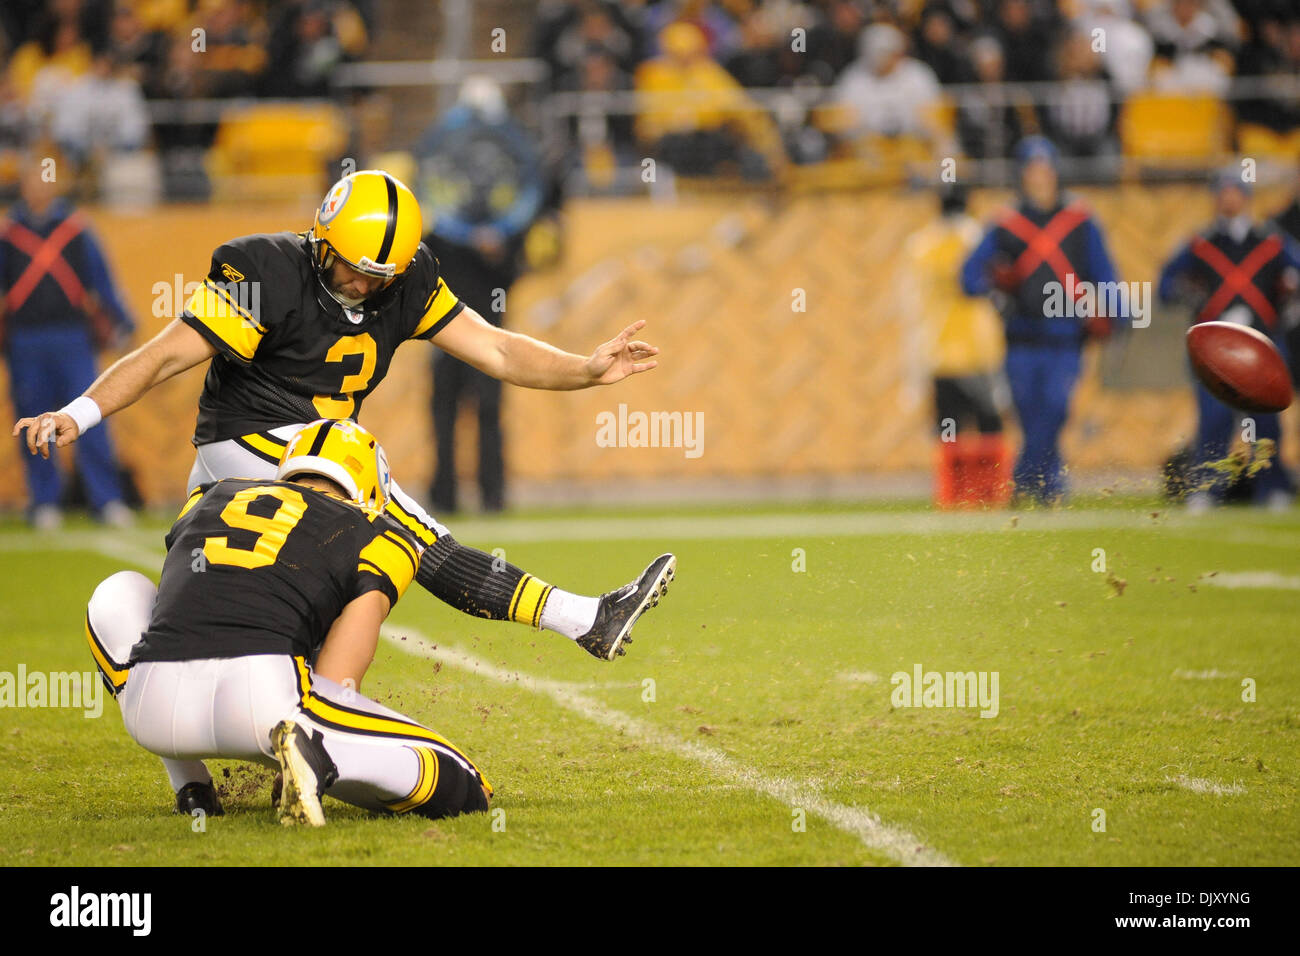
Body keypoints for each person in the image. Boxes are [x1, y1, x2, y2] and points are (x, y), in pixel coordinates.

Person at [14, 168, 676, 681]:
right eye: (352, 269)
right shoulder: (264, 270)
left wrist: (586, 370)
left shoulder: (407, 278)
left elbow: (497, 348)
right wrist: (77, 413)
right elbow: (163, 356)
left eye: (377, 277)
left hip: (319, 458)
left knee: (235, 599)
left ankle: (234, 749)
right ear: (321, 241)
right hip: (244, 443)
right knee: (408, 533)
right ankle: (585, 618)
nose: (363, 286)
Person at [86, 419, 490, 824]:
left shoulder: (208, 498)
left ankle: (191, 787)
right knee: (467, 785)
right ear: (371, 488)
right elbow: (339, 675)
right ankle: (313, 758)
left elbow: (183, 597)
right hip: (263, 702)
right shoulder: (382, 534)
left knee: (118, 589)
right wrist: (322, 731)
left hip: (153, 709)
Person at [962, 137, 1125, 505]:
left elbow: (1105, 274)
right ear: (1022, 175)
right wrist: (995, 291)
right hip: (1020, 337)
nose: (1039, 177)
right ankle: (1049, 485)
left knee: (1054, 410)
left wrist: (1118, 315)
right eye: (1032, 170)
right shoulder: (1006, 224)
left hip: (1066, 336)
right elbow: (969, 276)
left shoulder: (1080, 221)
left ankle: (1026, 483)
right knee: (1028, 415)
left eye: (1045, 168)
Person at [415, 78, 550, 513]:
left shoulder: (505, 217)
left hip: (486, 327)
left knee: (486, 410)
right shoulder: (442, 215)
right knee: (445, 413)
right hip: (445, 327)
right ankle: (446, 496)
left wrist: (498, 248)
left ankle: (493, 495)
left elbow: (513, 268)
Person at [1, 153, 135, 528]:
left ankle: (106, 499)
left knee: (90, 415)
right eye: (32, 178)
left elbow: (102, 280)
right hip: (25, 340)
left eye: (46, 178)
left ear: (56, 183)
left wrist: (123, 322)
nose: (39, 185)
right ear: (23, 183)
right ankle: (45, 501)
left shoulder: (77, 229)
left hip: (73, 337)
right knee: (33, 420)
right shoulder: (9, 234)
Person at [1158, 168, 1299, 511]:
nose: (1229, 197)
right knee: (1214, 420)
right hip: (1215, 348)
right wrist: (1185, 293)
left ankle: (1273, 486)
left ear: (1246, 195)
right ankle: (1206, 488)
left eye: (1235, 190)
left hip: (1263, 343)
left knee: (1265, 422)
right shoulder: (1201, 243)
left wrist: (1289, 295)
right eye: (1223, 191)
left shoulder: (1271, 242)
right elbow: (1165, 285)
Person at [901, 183, 1008, 507]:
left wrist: (912, 366)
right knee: (990, 427)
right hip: (981, 352)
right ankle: (990, 495)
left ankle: (954, 497)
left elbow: (911, 306)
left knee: (949, 431)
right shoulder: (980, 240)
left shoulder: (920, 247)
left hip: (940, 353)